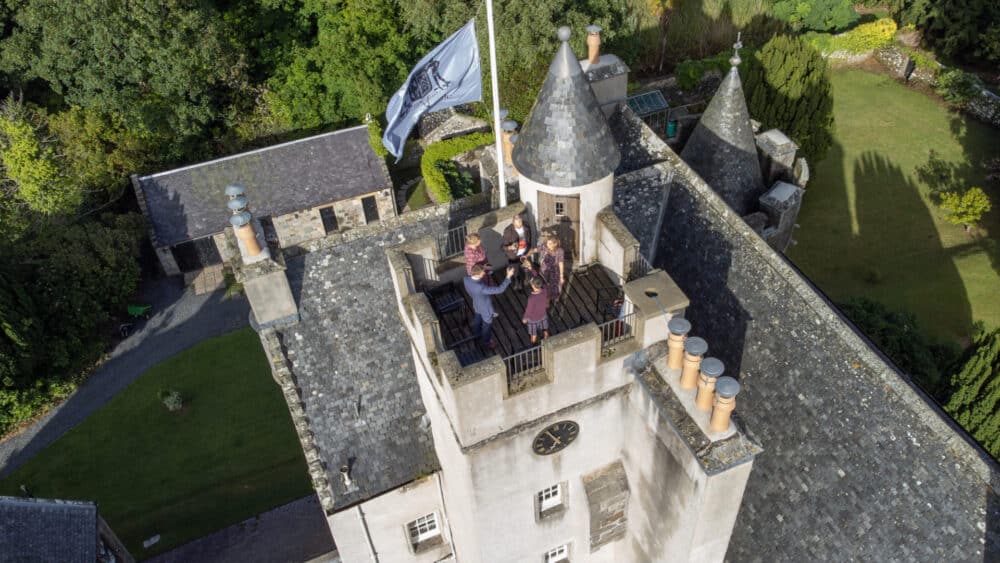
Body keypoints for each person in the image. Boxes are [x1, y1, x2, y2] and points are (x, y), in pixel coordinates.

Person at [463, 264, 515, 349]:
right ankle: (486, 342)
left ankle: (476, 334)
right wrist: (508, 276)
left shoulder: (466, 279)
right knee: (487, 326)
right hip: (486, 309)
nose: (484, 273)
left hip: (476, 304)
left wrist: (483, 267)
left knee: (477, 319)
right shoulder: (481, 288)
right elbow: (499, 290)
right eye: (482, 273)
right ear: (477, 275)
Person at [501, 213, 532, 289]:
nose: (520, 224)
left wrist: (529, 249)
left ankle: (527, 281)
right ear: (513, 222)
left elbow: (529, 238)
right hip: (513, 256)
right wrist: (510, 247)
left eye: (521, 221)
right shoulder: (508, 231)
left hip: (524, 253)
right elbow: (503, 247)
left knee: (526, 269)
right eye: (518, 222)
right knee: (515, 272)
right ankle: (518, 284)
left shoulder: (526, 226)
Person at [532, 234, 565, 303]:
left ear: (555, 244)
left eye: (550, 244)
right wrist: (527, 253)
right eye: (547, 243)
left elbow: (561, 263)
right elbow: (535, 250)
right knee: (544, 284)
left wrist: (561, 276)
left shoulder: (560, 251)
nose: (547, 245)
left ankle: (556, 297)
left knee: (556, 284)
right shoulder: (545, 246)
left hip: (555, 270)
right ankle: (547, 298)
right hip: (544, 270)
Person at [522, 277, 550, 344]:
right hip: (543, 315)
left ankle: (533, 345)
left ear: (533, 286)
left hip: (533, 319)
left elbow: (529, 310)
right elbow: (544, 285)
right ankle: (546, 337)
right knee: (545, 328)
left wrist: (525, 318)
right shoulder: (545, 290)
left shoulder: (532, 298)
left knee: (533, 334)